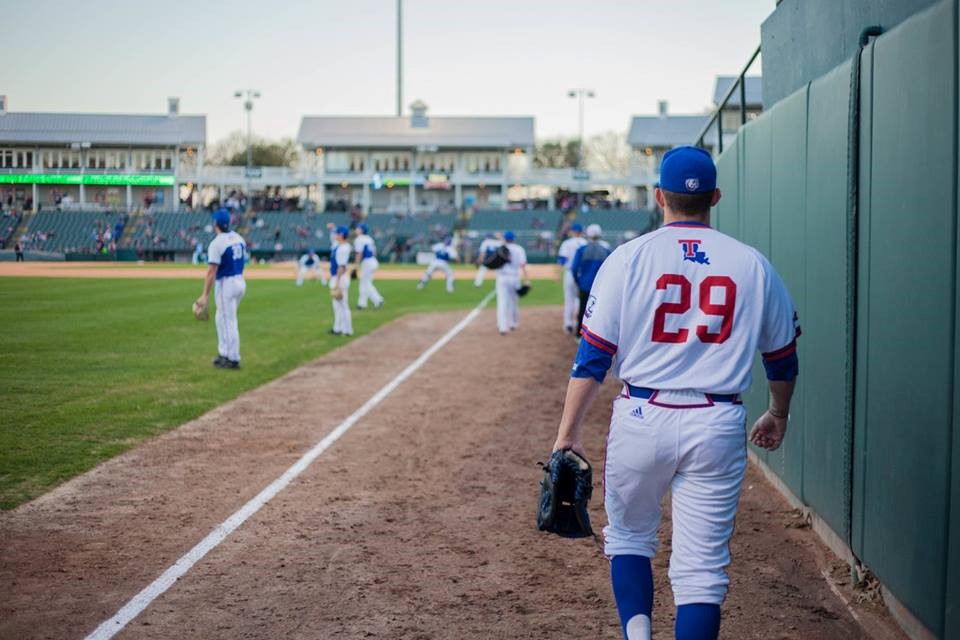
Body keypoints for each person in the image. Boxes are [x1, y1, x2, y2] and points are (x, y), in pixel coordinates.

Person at [550, 146, 801, 640]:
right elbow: (782, 358)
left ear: (658, 195)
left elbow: (594, 357)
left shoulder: (628, 259)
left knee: (628, 537)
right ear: (716, 197)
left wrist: (568, 434)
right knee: (702, 572)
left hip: (642, 415)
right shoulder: (752, 264)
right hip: (717, 422)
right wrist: (778, 412)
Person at [195, 208, 247, 369]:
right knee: (221, 318)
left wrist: (204, 295)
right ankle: (224, 353)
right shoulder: (239, 238)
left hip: (227, 284)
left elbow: (211, 271)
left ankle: (233, 358)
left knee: (228, 321)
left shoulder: (217, 243)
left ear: (215, 224)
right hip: (239, 281)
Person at [571, 224, 612, 336]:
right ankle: (598, 334)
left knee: (582, 310)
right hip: (601, 286)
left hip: (584, 284)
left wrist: (578, 281)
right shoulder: (606, 250)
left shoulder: (581, 250)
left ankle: (579, 334)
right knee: (600, 311)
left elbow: (574, 268)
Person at [495, 231, 530, 335]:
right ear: (514, 239)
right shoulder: (519, 249)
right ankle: (513, 323)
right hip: (514, 278)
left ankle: (502, 328)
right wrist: (527, 280)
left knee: (502, 302)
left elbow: (493, 263)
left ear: (505, 239)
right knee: (514, 301)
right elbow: (523, 265)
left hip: (502, 277)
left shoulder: (500, 248)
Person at [557, 223, 587, 333]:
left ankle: (568, 324)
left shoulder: (567, 243)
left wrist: (557, 274)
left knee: (569, 299)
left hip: (570, 273)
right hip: (582, 274)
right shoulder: (585, 243)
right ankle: (579, 323)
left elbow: (562, 260)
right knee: (580, 299)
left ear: (573, 231)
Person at [329, 226, 353, 336]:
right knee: (337, 306)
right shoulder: (339, 245)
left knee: (343, 305)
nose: (335, 235)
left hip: (340, 278)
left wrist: (337, 283)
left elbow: (341, 267)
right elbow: (333, 240)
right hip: (337, 277)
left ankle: (348, 330)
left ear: (342, 235)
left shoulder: (343, 248)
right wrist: (331, 228)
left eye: (337, 233)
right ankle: (337, 328)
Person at [353, 223, 384, 309]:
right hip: (373, 260)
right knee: (364, 283)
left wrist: (356, 266)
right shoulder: (369, 238)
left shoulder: (359, 239)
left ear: (361, 230)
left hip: (366, 262)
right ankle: (362, 304)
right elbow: (374, 252)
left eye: (358, 228)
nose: (356, 230)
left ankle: (378, 300)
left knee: (366, 283)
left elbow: (359, 253)